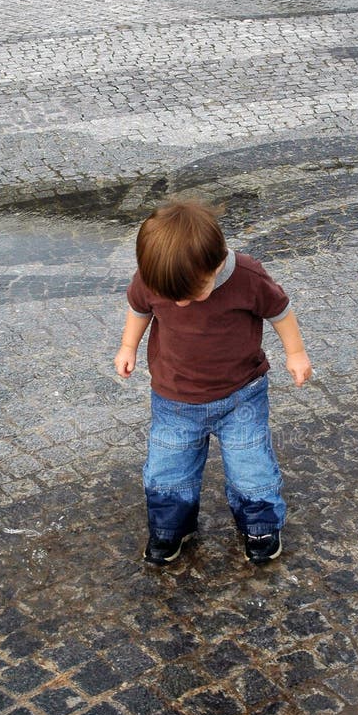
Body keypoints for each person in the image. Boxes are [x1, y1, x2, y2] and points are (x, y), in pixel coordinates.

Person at [114, 200, 312, 565]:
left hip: (242, 397)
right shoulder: (155, 276)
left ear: (217, 263)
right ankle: (170, 528)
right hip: (174, 400)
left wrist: (295, 353)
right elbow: (139, 308)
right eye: (172, 298)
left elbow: (280, 311)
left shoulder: (247, 277)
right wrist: (128, 346)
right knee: (168, 468)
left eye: (192, 293)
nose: (182, 303)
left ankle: (260, 524)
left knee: (250, 465)